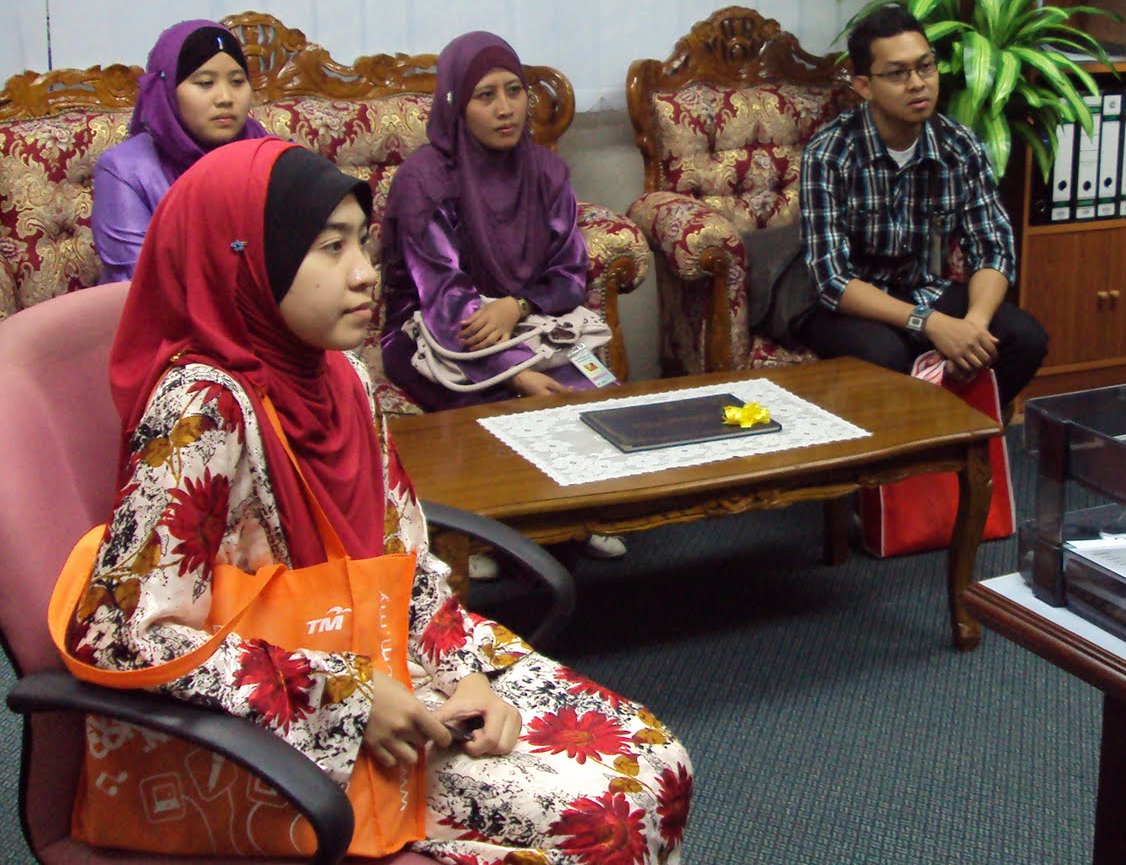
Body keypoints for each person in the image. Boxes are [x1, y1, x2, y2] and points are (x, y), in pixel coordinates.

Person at [65, 137, 692, 861]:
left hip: (385, 655)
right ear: (244, 258)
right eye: (331, 249)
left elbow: (406, 559)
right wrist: (346, 698)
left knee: (659, 766)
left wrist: (468, 679)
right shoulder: (202, 408)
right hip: (282, 723)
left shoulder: (341, 378)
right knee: (604, 819)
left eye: (363, 244)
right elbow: (124, 630)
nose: (366, 276)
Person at [381, 30, 625, 559]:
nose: (505, 108)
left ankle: (576, 516)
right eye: (485, 95)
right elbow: (441, 295)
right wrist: (514, 374)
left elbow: (569, 273)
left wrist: (518, 304)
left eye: (514, 91)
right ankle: (489, 540)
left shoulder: (546, 171)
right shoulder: (423, 181)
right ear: (454, 105)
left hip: (524, 320)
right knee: (504, 399)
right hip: (428, 331)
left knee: (593, 386)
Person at [795, 4, 1048, 407]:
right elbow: (832, 281)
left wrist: (972, 328)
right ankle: (914, 457)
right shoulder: (830, 153)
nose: (917, 84)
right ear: (864, 86)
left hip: (924, 289)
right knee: (888, 357)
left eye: (925, 67)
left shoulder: (959, 145)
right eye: (898, 73)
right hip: (848, 308)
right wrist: (931, 324)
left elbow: (994, 249)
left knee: (1025, 337)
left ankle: (959, 447)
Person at [92, 19, 267, 282]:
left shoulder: (271, 154)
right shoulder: (124, 171)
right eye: (205, 83)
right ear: (166, 91)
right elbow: (139, 286)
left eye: (237, 81)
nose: (225, 98)